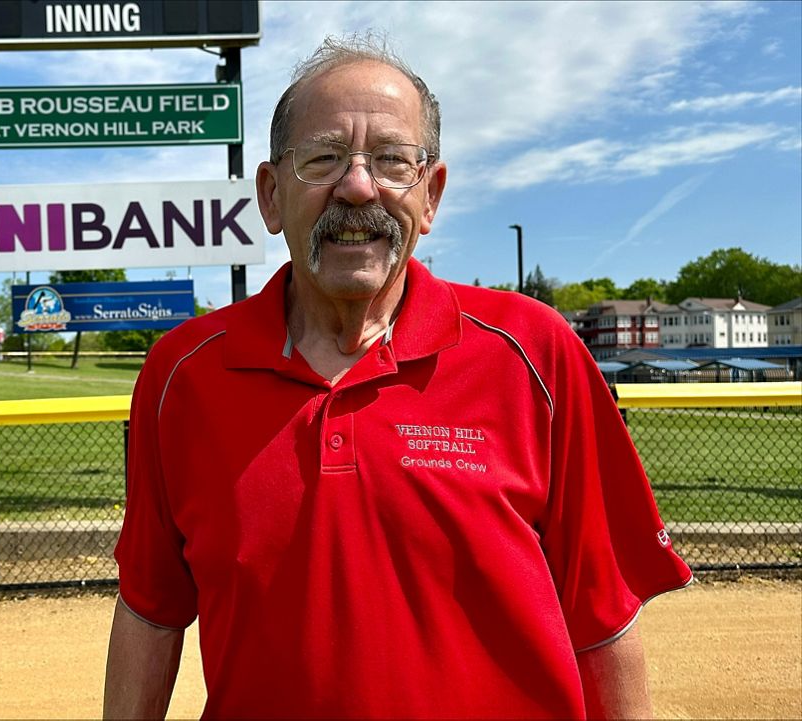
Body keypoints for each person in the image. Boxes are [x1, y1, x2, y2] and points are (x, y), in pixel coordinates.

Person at [103, 34, 692, 719]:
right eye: (322, 157)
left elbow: (603, 615)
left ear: (430, 194)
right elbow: (150, 609)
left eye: (391, 160)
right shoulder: (183, 373)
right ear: (271, 195)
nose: (358, 187)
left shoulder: (535, 351)